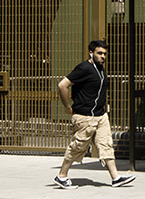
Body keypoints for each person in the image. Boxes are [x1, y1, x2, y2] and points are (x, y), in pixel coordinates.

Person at [54, 39, 134, 188]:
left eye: (105, 54)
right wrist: (67, 106)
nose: (103, 56)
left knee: (106, 145)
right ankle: (62, 175)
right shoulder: (84, 68)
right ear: (91, 53)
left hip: (100, 116)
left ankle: (115, 177)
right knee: (78, 146)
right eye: (99, 53)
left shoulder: (101, 69)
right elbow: (62, 85)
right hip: (85, 116)